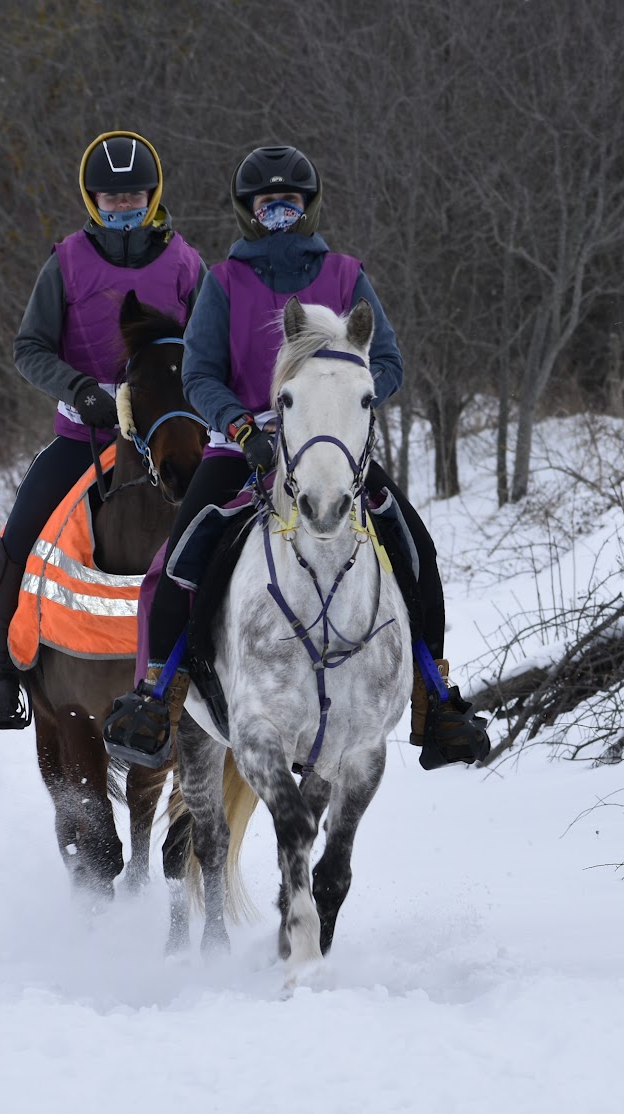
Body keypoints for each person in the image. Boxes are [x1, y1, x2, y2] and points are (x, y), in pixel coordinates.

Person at [102, 144, 490, 768]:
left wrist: (345, 401)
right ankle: (159, 694)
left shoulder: (345, 273)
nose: (278, 213)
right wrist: (238, 425)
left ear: (306, 208)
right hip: (246, 446)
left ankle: (436, 699)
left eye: (289, 203)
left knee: (414, 548)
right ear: (248, 212)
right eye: (267, 204)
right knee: (180, 556)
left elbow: (386, 362)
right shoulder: (225, 282)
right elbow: (200, 373)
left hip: (329, 448)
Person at [0, 130, 208, 729]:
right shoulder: (66, 263)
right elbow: (28, 346)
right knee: (22, 535)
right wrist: (78, 389)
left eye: (134, 195)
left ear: (153, 197)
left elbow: (213, 345)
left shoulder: (186, 262)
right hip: (87, 435)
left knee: (232, 529)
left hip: (169, 433)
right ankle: (3, 673)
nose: (123, 206)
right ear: (92, 199)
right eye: (111, 197)